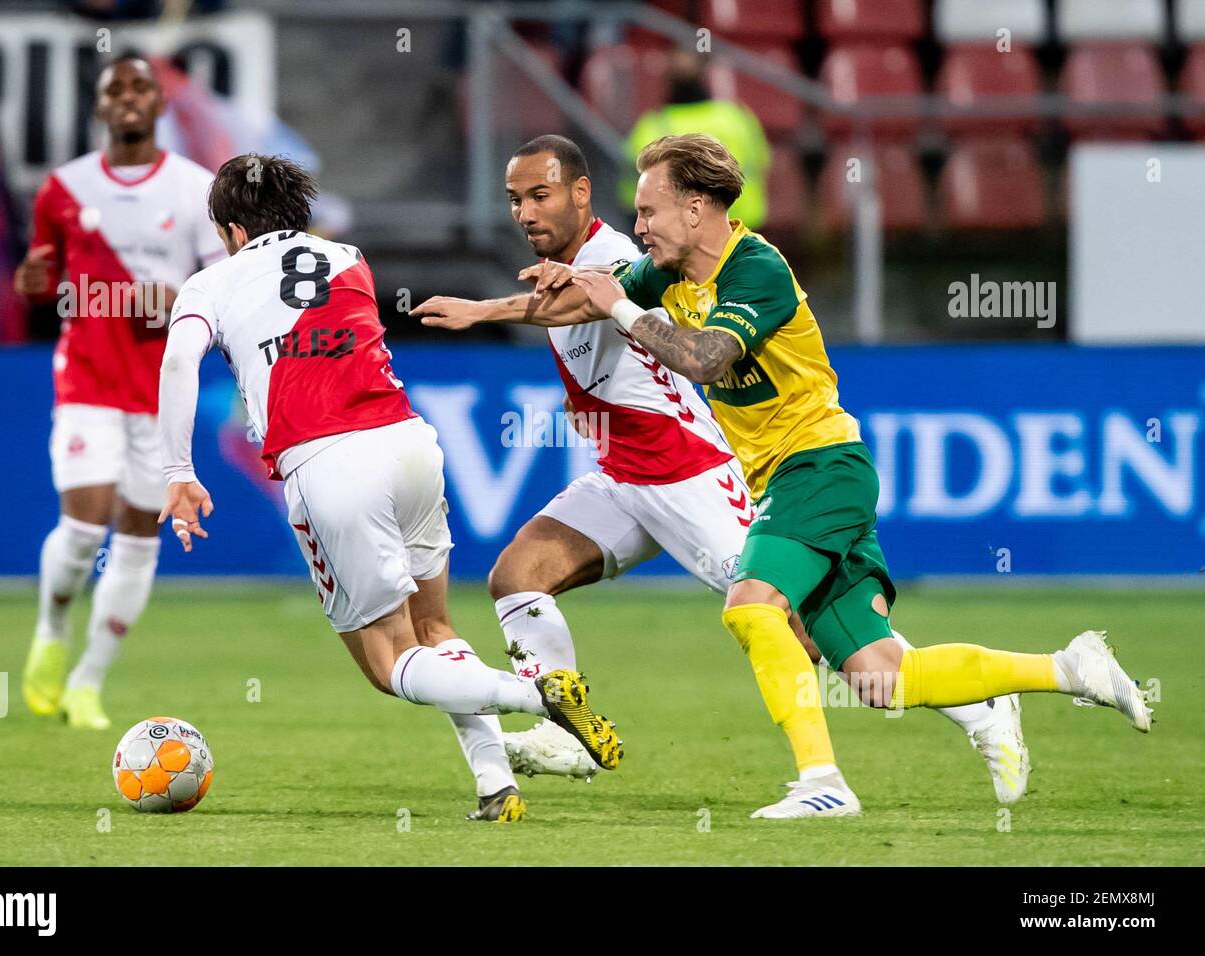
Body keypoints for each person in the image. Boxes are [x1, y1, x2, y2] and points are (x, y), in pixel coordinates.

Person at [413, 133, 1153, 820]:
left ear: (694, 207)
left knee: (759, 612)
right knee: (876, 674)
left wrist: (624, 311)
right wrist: (486, 309)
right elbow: (586, 296)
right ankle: (1063, 670)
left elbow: (701, 357)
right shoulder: (668, 269)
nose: (637, 225)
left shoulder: (756, 269)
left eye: (648, 209)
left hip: (808, 465)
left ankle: (822, 786)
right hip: (731, 475)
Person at [156, 153, 623, 823]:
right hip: (409, 444)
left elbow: (177, 361)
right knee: (436, 628)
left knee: (387, 662)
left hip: (327, 463)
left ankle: (539, 696)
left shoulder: (212, 282)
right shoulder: (348, 257)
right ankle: (496, 786)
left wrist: (178, 471)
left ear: (230, 228)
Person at [17, 57, 225, 730]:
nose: (129, 98)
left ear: (159, 101)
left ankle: (88, 681)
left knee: (138, 536)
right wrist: (31, 285)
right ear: (100, 106)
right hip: (85, 379)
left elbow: (223, 289)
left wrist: (176, 302)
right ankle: (51, 632)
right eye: (116, 89)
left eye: (140, 87)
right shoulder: (63, 188)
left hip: (161, 389)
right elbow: (44, 280)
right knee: (83, 523)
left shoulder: (197, 190)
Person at [621, 51, 771, 231]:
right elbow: (764, 161)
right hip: (743, 227)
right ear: (706, 79)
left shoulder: (652, 126)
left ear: (667, 83)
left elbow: (631, 189)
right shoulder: (738, 117)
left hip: (683, 235)